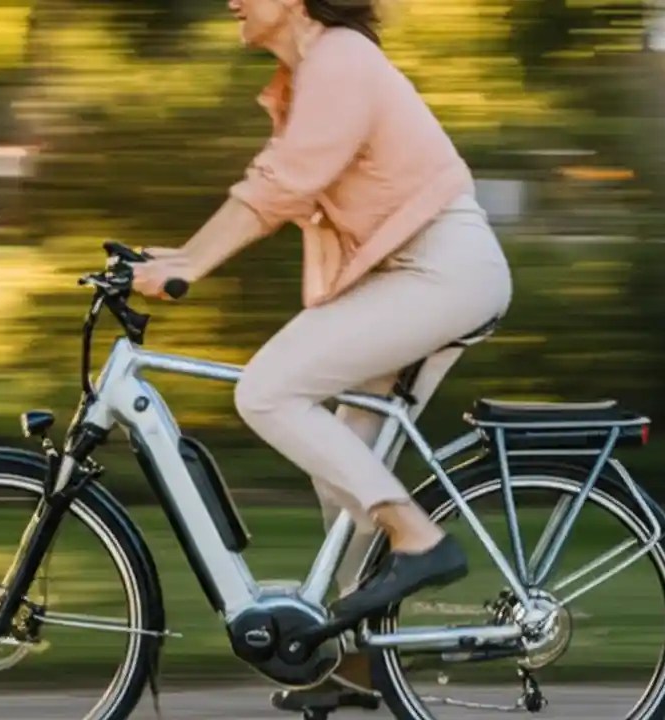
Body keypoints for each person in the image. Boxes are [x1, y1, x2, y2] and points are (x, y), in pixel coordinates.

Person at [131, 0, 513, 701]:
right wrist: (183, 254)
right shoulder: (307, 74)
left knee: (268, 390)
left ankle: (418, 539)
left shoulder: (341, 58)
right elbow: (282, 181)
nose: (231, 3)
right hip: (410, 274)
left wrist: (191, 264)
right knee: (342, 468)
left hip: (441, 272)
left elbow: (280, 185)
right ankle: (362, 666)